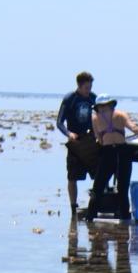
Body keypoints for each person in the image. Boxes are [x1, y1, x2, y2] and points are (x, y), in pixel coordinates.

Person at [55, 71, 97, 216]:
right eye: (86, 88)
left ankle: (96, 204)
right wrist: (69, 134)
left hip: (91, 142)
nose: (88, 91)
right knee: (72, 177)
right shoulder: (70, 99)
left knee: (99, 175)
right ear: (79, 86)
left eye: (90, 87)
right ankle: (73, 207)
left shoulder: (93, 98)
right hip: (75, 142)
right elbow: (59, 122)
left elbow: (102, 117)